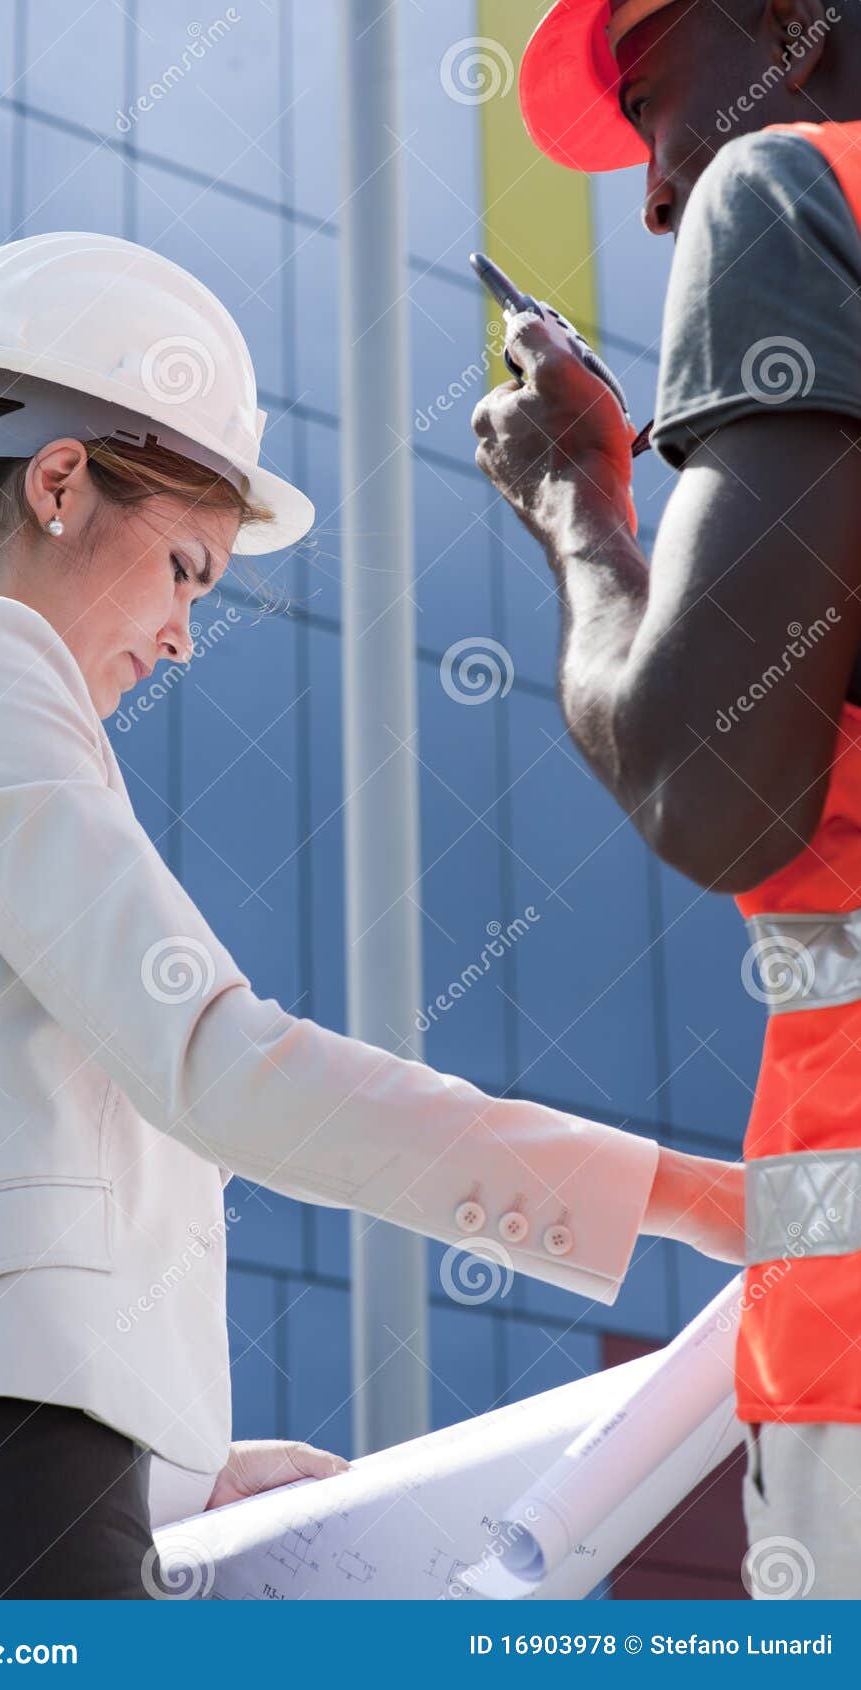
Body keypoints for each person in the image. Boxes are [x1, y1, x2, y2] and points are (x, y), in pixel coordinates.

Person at [0, 231, 740, 1600]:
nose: (184, 633)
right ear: (59, 481)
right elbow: (224, 1068)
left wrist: (180, 1467)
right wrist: (699, 1196)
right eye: (185, 567)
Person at [472, 0, 861, 1601]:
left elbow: (711, 787)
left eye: (649, 98)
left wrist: (580, 503)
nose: (649, 191)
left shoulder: (794, 190)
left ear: (792, 22)